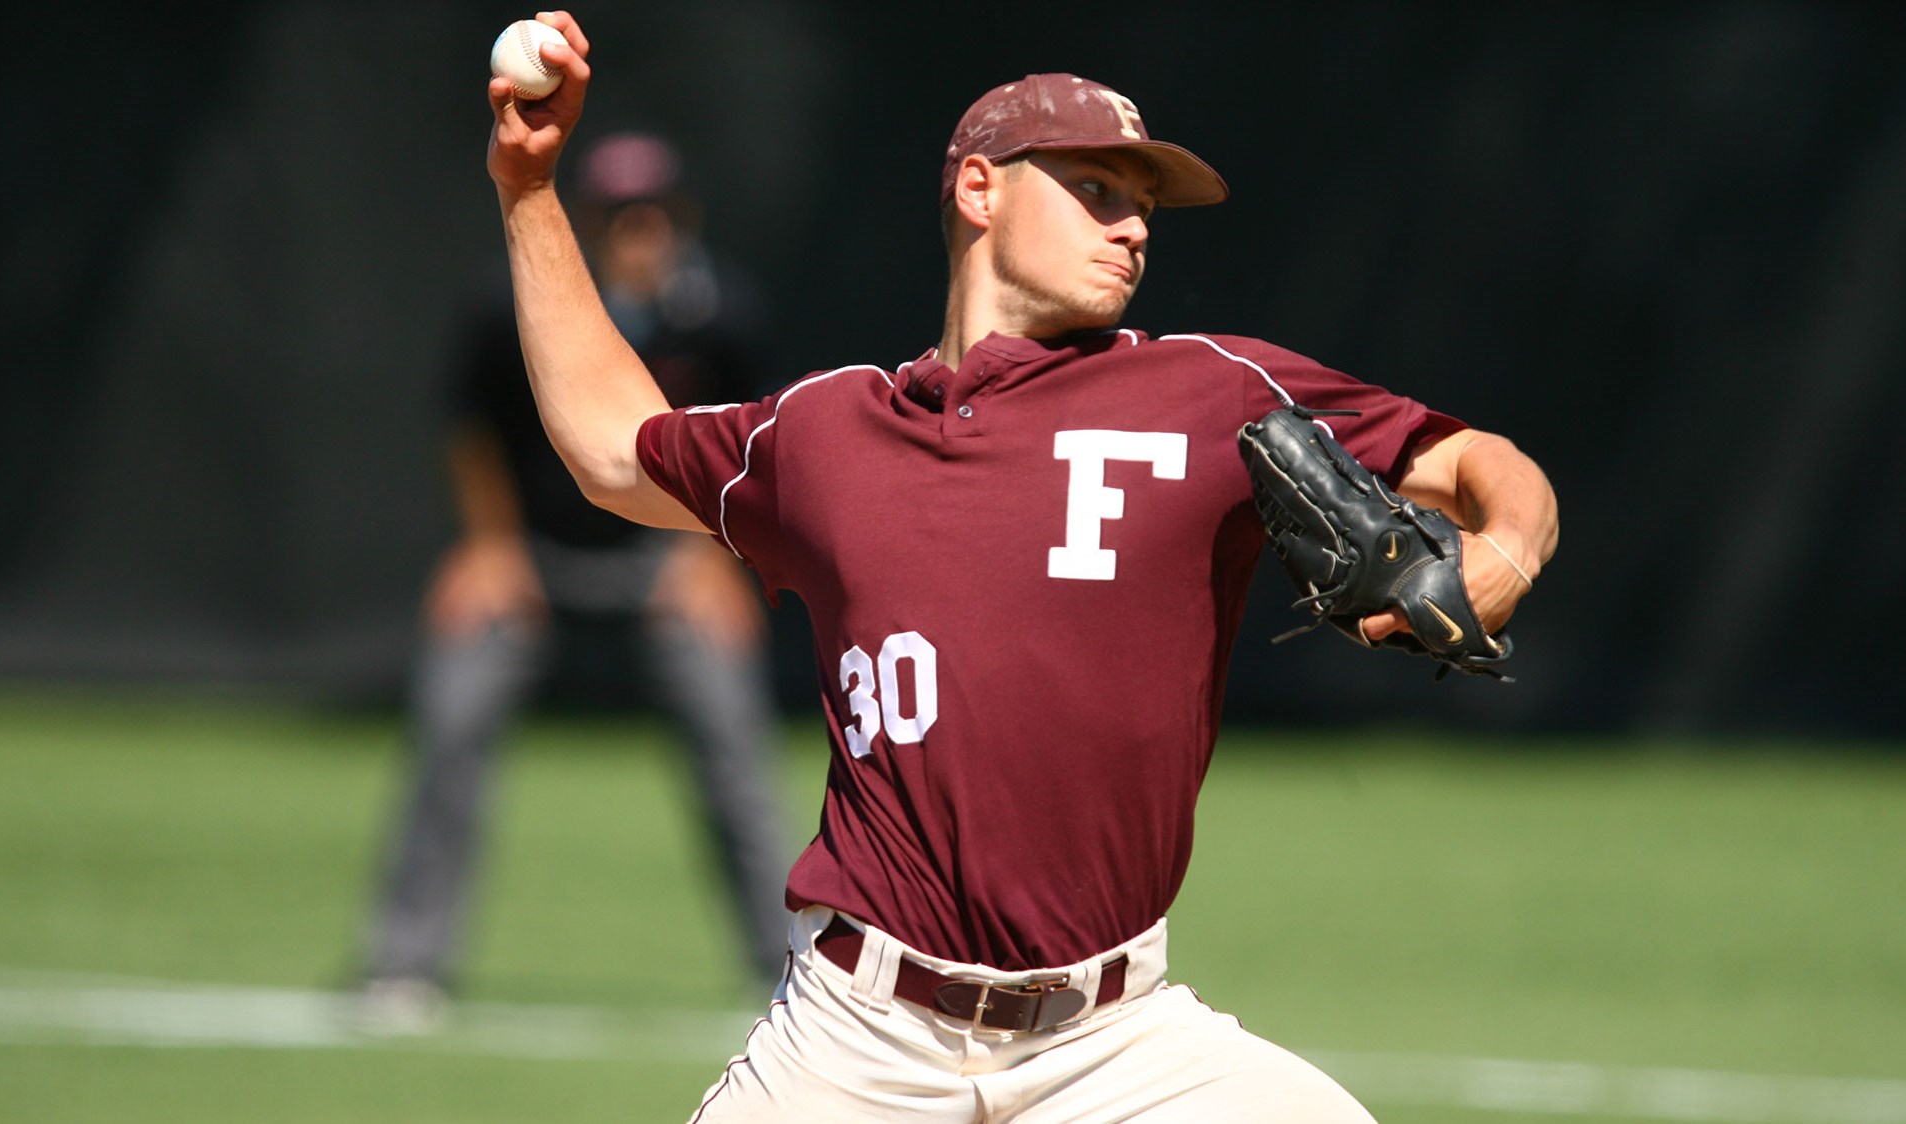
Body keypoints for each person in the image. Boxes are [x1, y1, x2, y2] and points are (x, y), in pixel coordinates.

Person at [486, 15, 1559, 1122]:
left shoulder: (1212, 390)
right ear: (979, 189)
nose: (1133, 227)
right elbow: (612, 448)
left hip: (1119, 1043)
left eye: (1143, 204)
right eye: (1097, 188)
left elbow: (1483, 462)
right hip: (857, 1038)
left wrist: (1503, 550)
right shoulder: (824, 432)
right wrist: (528, 188)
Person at [357, 130, 795, 1027]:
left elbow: (758, 449)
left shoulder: (721, 315)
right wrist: (490, 546)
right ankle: (402, 968)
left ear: (682, 218)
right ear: (587, 223)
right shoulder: (516, 305)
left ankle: (788, 973)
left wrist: (714, 562)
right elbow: (472, 428)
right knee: (451, 719)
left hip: (664, 561)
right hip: (535, 558)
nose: (640, 230)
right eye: (618, 215)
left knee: (734, 740)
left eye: (655, 213)